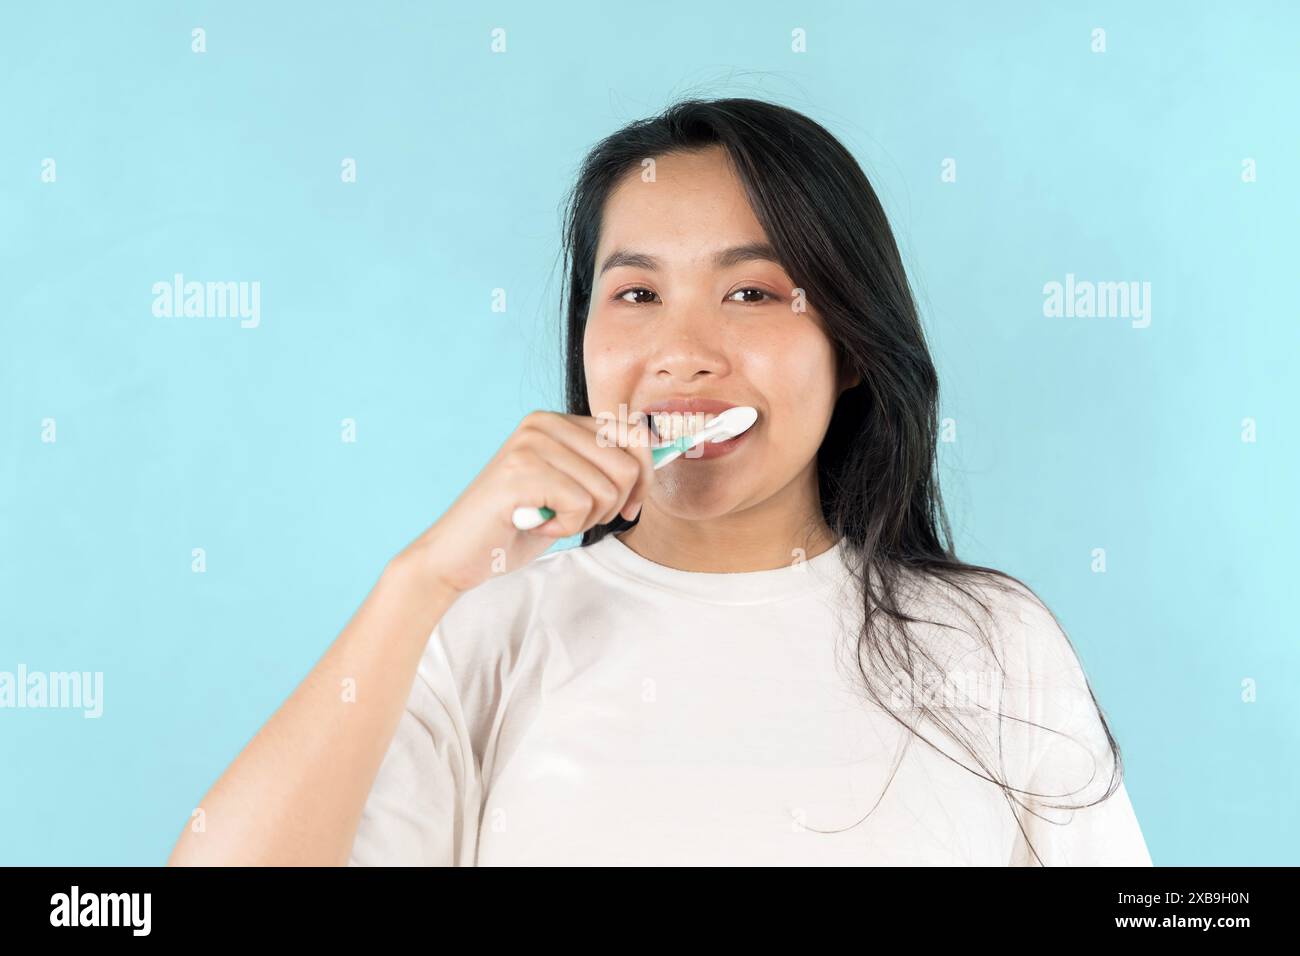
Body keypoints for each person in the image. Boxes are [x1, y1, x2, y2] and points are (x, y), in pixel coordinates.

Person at [168, 97, 1153, 867]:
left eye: (751, 292)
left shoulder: (991, 639)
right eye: (636, 293)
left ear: (849, 344)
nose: (680, 354)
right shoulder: (478, 638)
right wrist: (420, 580)